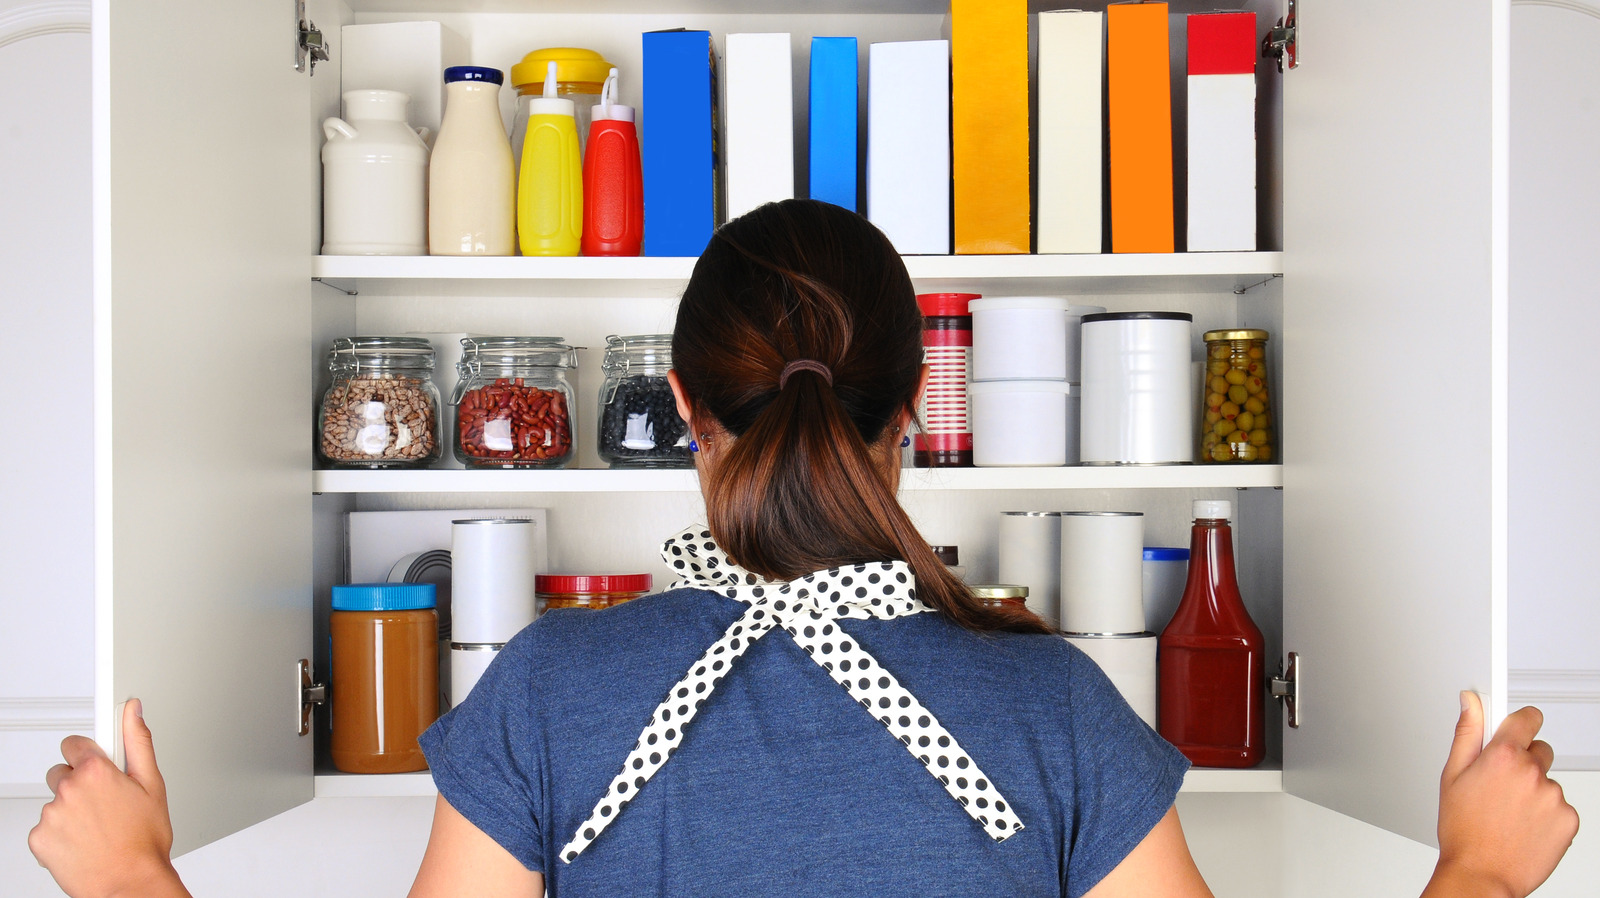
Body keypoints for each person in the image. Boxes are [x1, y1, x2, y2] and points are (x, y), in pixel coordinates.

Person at [30, 201, 1579, 898]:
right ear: (914, 419)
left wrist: (126, 884)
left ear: (688, 411)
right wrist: (1478, 876)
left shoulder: (554, 691)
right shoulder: (1051, 705)